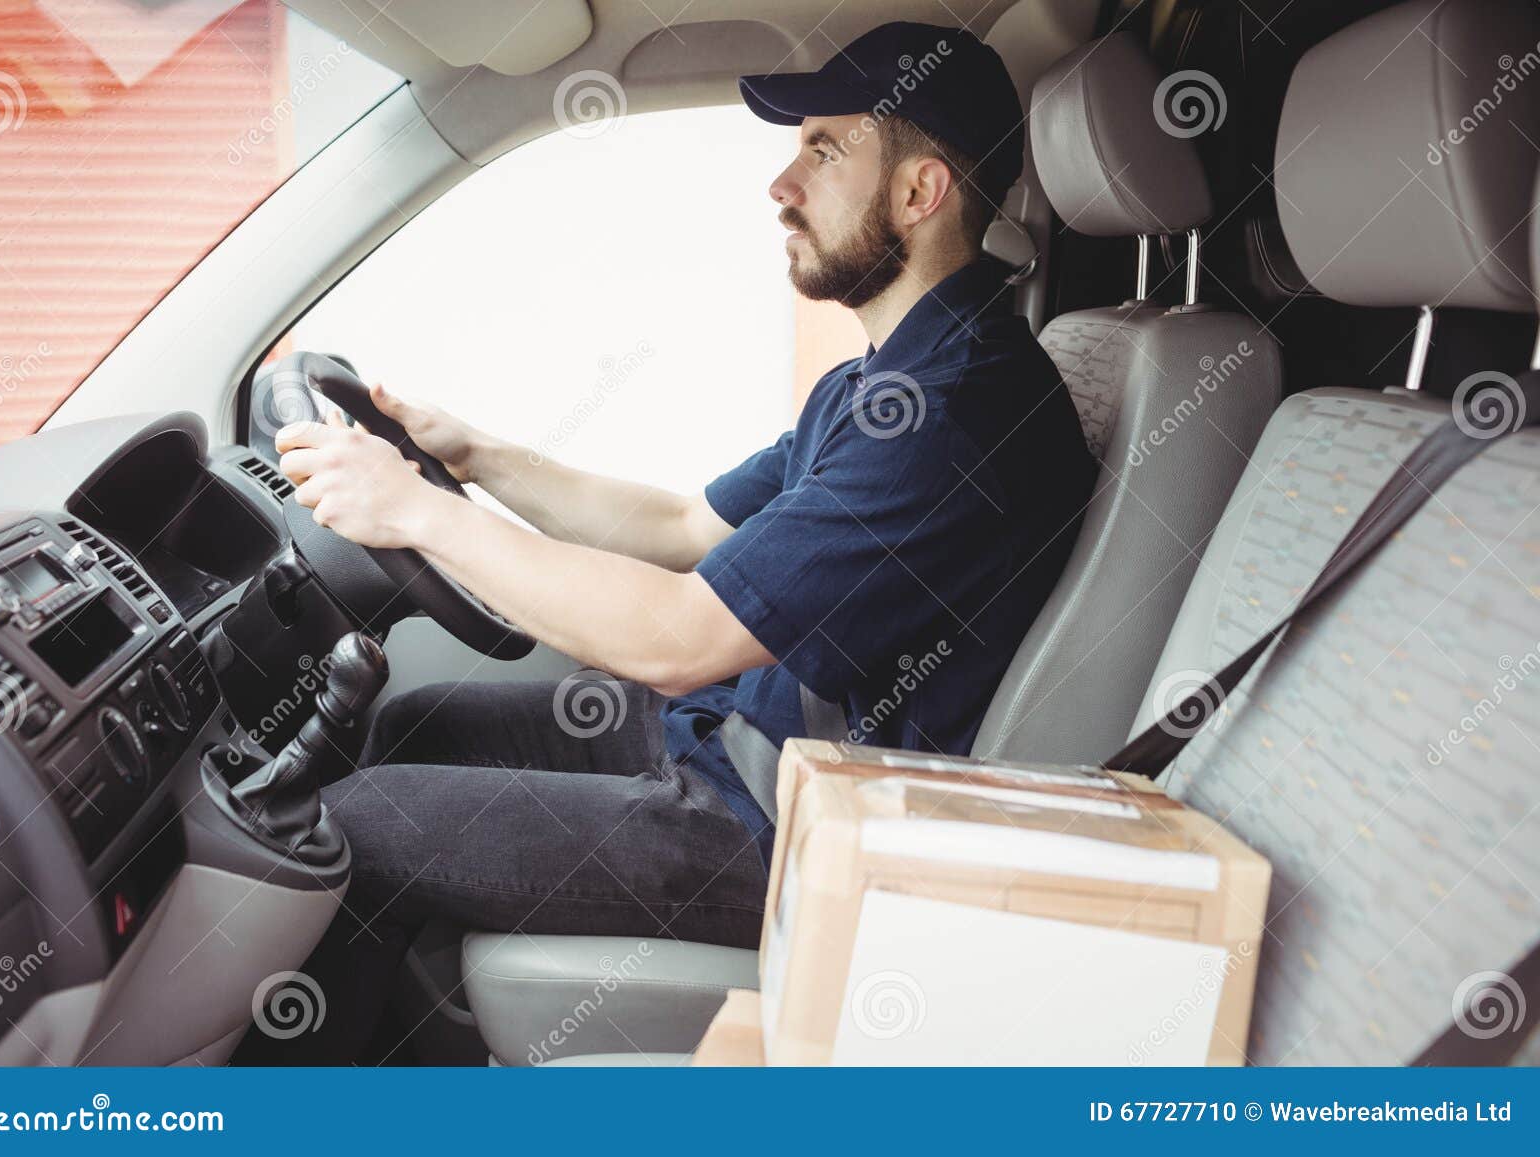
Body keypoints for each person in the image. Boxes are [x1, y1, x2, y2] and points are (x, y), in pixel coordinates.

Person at [254, 21, 1096, 1061]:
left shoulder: (951, 411)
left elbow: (680, 638)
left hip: (789, 827)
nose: (781, 185)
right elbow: (683, 527)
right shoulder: (879, 379)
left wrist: (416, 512)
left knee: (353, 819)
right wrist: (474, 455)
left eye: (824, 151)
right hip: (733, 739)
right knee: (419, 722)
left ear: (920, 194)